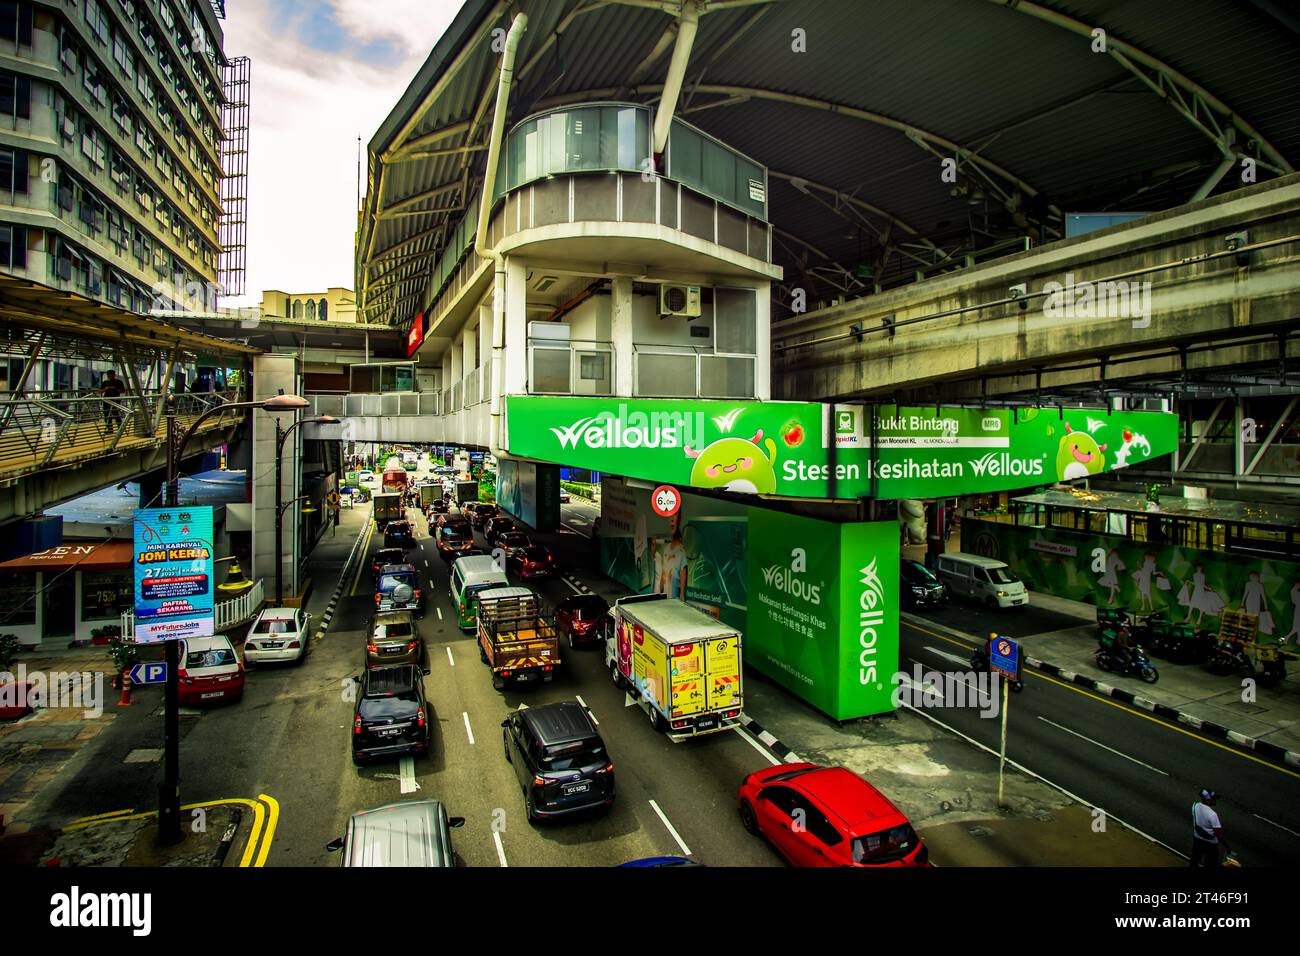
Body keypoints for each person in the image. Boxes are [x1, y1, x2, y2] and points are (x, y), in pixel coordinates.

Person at [1191, 789, 1229, 867]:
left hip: (1197, 838)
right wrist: (1226, 846)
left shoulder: (1195, 806)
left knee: (1195, 859)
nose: (1215, 800)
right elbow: (1218, 834)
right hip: (1210, 844)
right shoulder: (1212, 815)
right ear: (1208, 800)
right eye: (1213, 799)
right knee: (1210, 863)